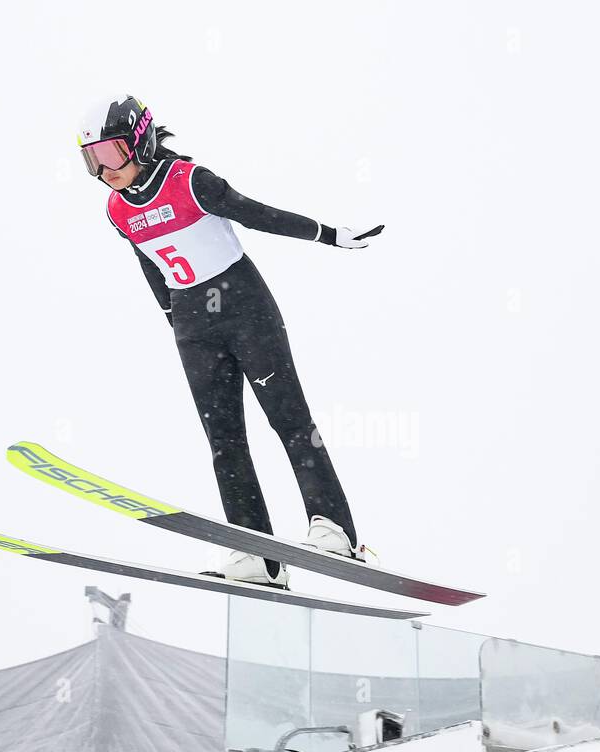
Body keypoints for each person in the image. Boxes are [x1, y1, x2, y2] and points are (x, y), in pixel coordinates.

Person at [78, 95, 383, 588]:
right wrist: (173, 319)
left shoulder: (189, 181)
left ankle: (335, 530)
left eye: (111, 154)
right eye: (92, 160)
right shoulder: (117, 210)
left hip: (244, 310)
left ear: (140, 140)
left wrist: (329, 235)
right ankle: (254, 553)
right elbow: (151, 263)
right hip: (193, 329)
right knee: (224, 443)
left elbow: (258, 215)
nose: (103, 170)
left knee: (290, 421)